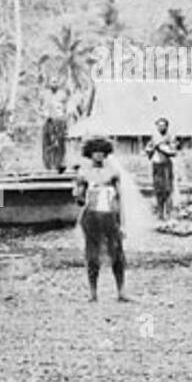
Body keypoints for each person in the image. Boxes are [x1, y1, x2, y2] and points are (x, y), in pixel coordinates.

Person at [73, 136, 128, 303]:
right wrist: (78, 193)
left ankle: (121, 292)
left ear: (106, 155)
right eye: (95, 153)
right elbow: (80, 198)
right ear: (90, 155)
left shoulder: (113, 173)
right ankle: (93, 293)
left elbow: (120, 198)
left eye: (102, 153)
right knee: (92, 255)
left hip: (110, 215)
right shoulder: (84, 173)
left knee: (117, 253)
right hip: (91, 216)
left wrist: (123, 222)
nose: (98, 156)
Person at [145, 117, 177, 219]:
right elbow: (148, 149)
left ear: (167, 127)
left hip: (166, 165)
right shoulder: (154, 138)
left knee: (167, 189)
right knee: (158, 189)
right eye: (159, 126)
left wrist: (161, 148)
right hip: (156, 164)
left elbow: (173, 152)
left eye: (163, 126)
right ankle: (160, 212)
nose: (161, 127)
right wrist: (151, 149)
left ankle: (168, 213)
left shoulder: (170, 137)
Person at [42, 83, 69, 172]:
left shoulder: (62, 95)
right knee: (48, 144)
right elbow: (44, 108)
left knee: (60, 143)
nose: (54, 86)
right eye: (52, 83)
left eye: (55, 83)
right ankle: (49, 164)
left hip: (60, 120)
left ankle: (59, 163)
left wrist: (64, 121)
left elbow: (65, 109)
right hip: (49, 120)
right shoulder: (45, 95)